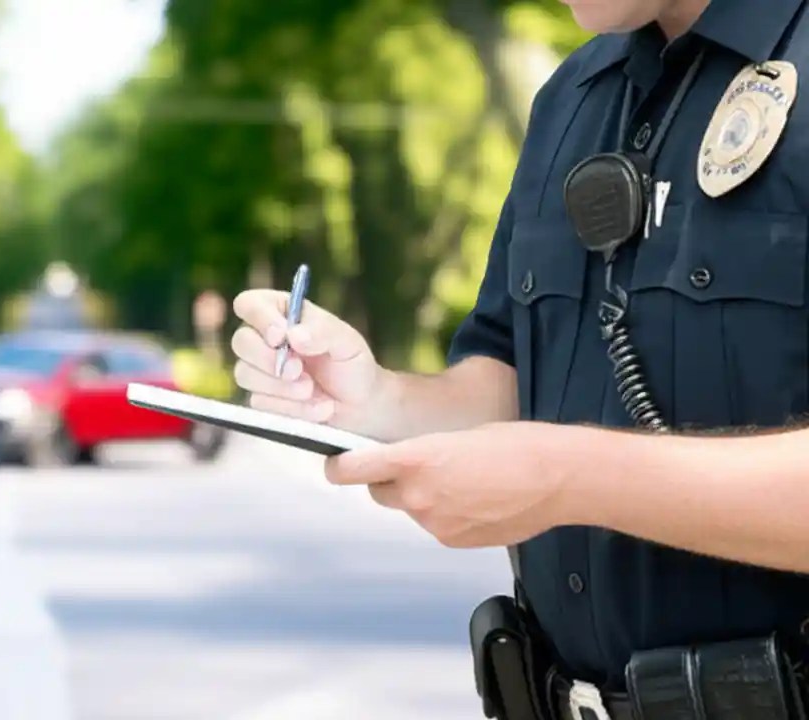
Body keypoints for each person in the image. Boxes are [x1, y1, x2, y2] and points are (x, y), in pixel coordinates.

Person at [231, 0, 809, 718]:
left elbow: (554, 455)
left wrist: (566, 478)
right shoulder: (572, 94)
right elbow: (513, 374)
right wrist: (373, 401)